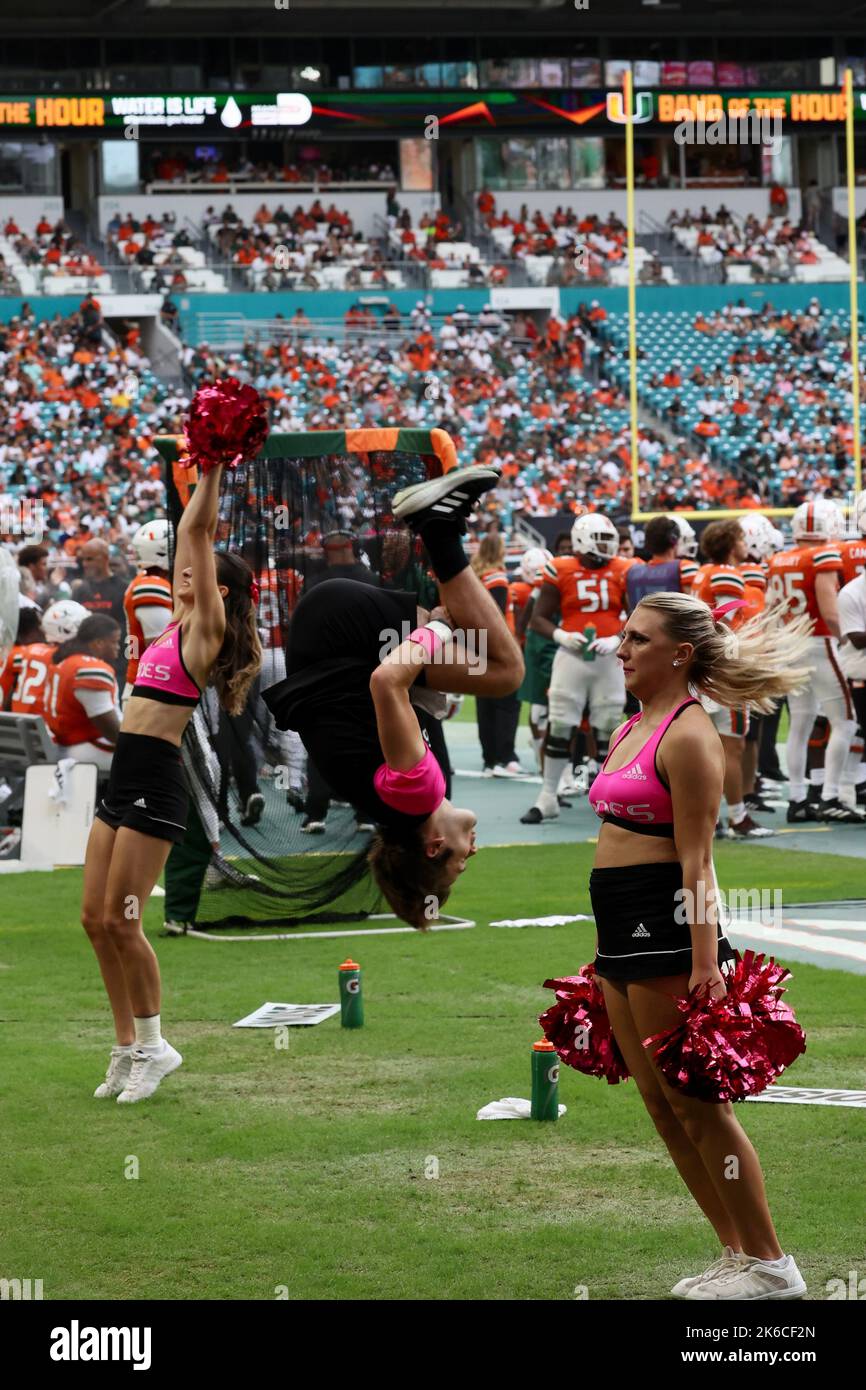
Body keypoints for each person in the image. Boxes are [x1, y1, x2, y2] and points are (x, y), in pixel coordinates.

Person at [588, 590, 812, 1300]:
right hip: (618, 930)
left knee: (697, 1105)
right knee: (658, 1104)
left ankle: (775, 1266)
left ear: (678, 653)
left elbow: (698, 862)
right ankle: (736, 1255)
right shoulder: (633, 724)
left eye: (638, 639)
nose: (621, 650)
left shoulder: (688, 735)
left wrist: (706, 960)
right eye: (623, 638)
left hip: (666, 929)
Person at [262, 465, 523, 927]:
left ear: (435, 847)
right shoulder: (391, 805)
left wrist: (440, 627)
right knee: (487, 663)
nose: (473, 851)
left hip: (338, 631)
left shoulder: (416, 794)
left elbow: (387, 681)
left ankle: (439, 527)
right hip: (326, 638)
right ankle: (440, 526)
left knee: (504, 671)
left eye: (462, 863)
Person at [81, 460, 262, 1105]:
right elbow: (192, 534)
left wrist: (210, 470)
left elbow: (197, 530)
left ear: (220, 591)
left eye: (194, 573)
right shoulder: (172, 631)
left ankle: (157, 1047)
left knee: (126, 920)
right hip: (121, 776)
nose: (181, 574)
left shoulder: (204, 633)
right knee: (95, 920)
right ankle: (126, 1044)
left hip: (156, 783)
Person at [522, 513, 635, 823]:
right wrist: (561, 634)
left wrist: (618, 638)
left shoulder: (624, 569)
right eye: (600, 539)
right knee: (559, 724)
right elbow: (538, 619)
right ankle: (548, 797)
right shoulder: (561, 568)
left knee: (608, 726)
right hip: (571, 657)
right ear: (582, 540)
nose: (607, 546)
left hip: (610, 658)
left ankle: (608, 796)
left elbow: (639, 613)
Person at [767, 499, 863, 823]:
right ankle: (831, 796)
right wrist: (845, 639)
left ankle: (797, 799)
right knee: (846, 721)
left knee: (800, 723)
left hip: (789, 644)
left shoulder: (779, 558)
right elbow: (830, 608)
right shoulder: (822, 555)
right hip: (819, 641)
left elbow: (770, 609)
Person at [691, 520, 772, 839]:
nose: (744, 543)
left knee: (706, 748)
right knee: (731, 747)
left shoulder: (703, 572)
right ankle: (738, 817)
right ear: (729, 543)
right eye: (740, 538)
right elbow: (718, 622)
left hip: (706, 668)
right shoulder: (725, 572)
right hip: (724, 669)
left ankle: (707, 818)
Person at [43, 615, 121, 771]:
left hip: (65, 745)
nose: (118, 647)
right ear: (98, 643)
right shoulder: (91, 669)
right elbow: (110, 729)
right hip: (85, 749)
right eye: (114, 642)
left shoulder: (66, 661)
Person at [471, 531, 520, 776]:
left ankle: (489, 758)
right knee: (507, 702)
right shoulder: (498, 578)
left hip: (476, 644)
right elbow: (496, 618)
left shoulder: (475, 577)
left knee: (485, 703)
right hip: (497, 647)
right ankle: (505, 756)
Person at [72, 539, 128, 688]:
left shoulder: (124, 589)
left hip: (118, 666)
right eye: (83, 559)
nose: (84, 564)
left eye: (89, 559)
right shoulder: (80, 591)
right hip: (86, 665)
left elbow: (131, 629)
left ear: (105, 558)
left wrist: (130, 659)